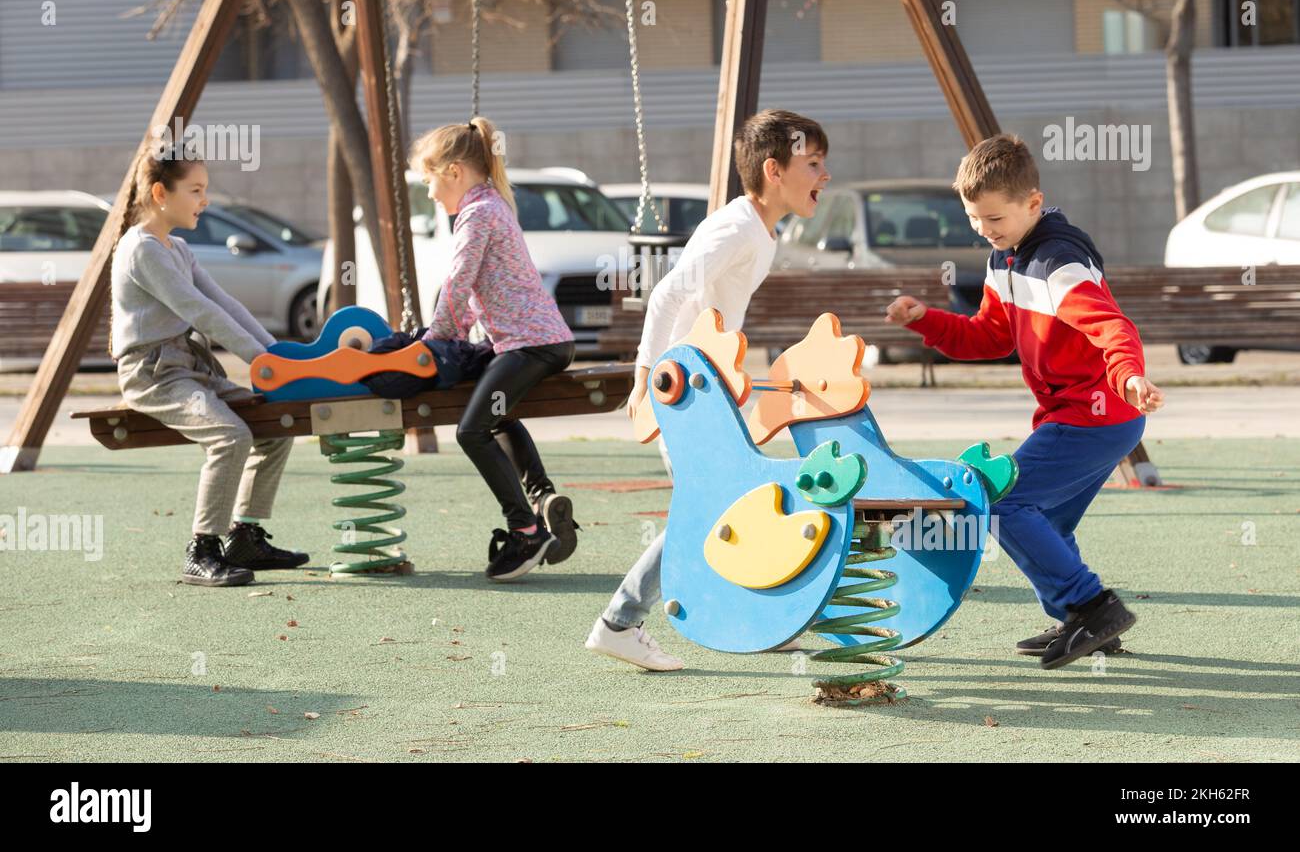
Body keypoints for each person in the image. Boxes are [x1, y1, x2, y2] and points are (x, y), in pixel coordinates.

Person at [885, 133, 1165, 669]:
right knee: (1046, 524)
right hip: (1084, 417)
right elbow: (989, 337)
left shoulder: (1060, 264)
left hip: (1098, 414)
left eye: (995, 219)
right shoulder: (1005, 260)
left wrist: (1129, 375)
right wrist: (927, 320)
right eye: (974, 219)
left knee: (1005, 502)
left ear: (1033, 203)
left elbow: (1113, 327)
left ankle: (1092, 608)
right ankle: (1082, 620)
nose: (985, 231)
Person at [585, 109, 832, 670]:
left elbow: (708, 314)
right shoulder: (737, 227)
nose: (825, 175)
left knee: (734, 503)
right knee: (708, 510)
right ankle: (620, 622)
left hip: (704, 386)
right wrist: (648, 377)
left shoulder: (759, 233)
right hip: (683, 391)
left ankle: (763, 619)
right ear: (774, 169)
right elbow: (668, 296)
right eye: (813, 163)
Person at [111, 155, 307, 587]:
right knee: (230, 437)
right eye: (195, 190)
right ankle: (201, 549)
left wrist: (276, 356)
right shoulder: (141, 248)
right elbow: (197, 311)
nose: (205, 198)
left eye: (205, 188)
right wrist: (259, 360)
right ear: (161, 194)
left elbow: (225, 304)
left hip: (191, 367)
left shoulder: (176, 248)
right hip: (154, 374)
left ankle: (245, 537)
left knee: (277, 423)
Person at [411, 116, 578, 582]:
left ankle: (525, 530)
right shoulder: (493, 203)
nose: (429, 193)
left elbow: (459, 280)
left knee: (471, 431)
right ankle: (541, 498)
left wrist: (434, 339)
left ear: (454, 173)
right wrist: (455, 332)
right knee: (496, 413)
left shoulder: (479, 212)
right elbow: (472, 287)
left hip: (533, 345)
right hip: (538, 340)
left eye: (429, 181)